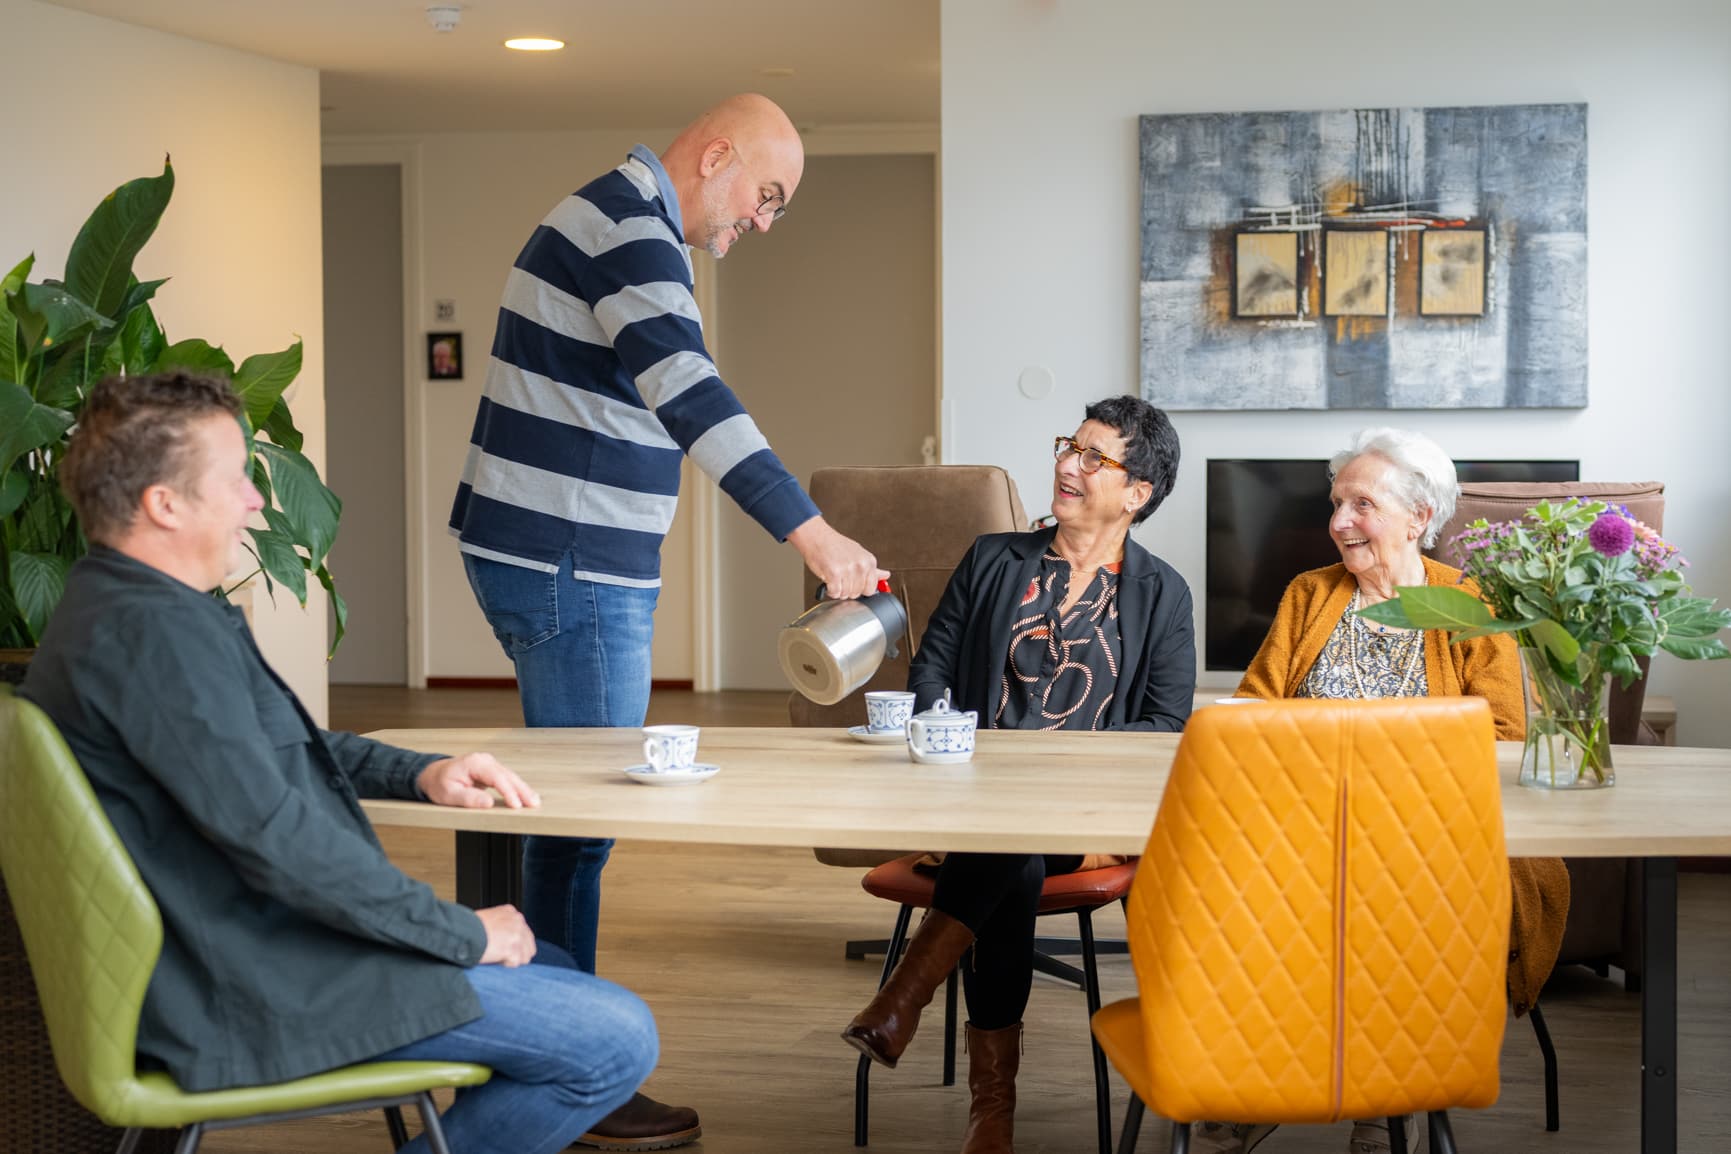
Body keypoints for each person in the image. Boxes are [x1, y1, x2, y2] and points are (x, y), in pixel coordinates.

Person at [20, 373, 659, 1154]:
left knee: (552, 960)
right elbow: (281, 842)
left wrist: (418, 772)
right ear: (165, 503)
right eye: (238, 481)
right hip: (259, 986)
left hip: (255, 956)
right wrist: (454, 932)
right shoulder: (156, 641)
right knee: (618, 1038)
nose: (258, 501)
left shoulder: (130, 610)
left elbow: (277, 751)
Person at [448, 91, 886, 1148]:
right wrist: (814, 535)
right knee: (582, 822)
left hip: (557, 553)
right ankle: (572, 1069)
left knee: (562, 813)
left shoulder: (618, 222)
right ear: (718, 154)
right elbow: (691, 392)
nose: (766, 221)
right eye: (767, 195)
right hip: (570, 564)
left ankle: (537, 1047)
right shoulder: (630, 230)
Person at [841, 395, 1196, 1153]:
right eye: (1071, 446)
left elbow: (1165, 729)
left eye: (1093, 458)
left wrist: (1061, 775)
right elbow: (933, 662)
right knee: (1014, 854)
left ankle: (917, 1016)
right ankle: (987, 1107)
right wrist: (942, 737)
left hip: (1087, 817)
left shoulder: (1162, 593)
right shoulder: (993, 558)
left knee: (1017, 848)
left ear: (1137, 493)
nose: (1068, 464)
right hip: (971, 802)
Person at [1201, 427, 1570, 1154]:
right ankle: (1278, 1077)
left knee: (1386, 890)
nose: (1339, 522)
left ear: (1417, 517)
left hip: (1433, 827)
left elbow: (1505, 738)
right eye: (1335, 504)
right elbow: (1251, 708)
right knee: (1228, 878)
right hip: (1302, 821)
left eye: (1360, 504)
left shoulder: (1471, 606)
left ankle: (1379, 1096)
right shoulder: (1310, 594)